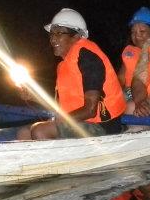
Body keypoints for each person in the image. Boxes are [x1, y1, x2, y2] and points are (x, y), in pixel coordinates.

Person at [17, 8, 126, 140]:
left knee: (39, 131)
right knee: (24, 133)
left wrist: (62, 120)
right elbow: (64, 106)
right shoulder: (63, 65)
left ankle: (58, 160)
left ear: (76, 36)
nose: (52, 39)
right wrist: (34, 96)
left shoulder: (88, 58)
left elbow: (90, 110)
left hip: (104, 127)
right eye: (51, 34)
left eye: (59, 33)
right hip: (81, 123)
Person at [118, 6, 150, 98]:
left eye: (142, 31)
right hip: (128, 93)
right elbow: (121, 78)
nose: (137, 36)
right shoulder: (129, 53)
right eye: (133, 32)